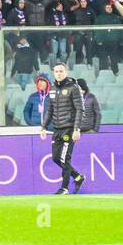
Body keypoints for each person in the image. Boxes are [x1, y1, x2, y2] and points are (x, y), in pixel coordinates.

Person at [41, 61, 85, 194]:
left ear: (66, 72)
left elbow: (79, 109)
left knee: (64, 158)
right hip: (57, 128)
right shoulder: (52, 89)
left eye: (61, 71)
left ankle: (64, 188)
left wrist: (77, 129)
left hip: (69, 128)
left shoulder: (73, 87)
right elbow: (50, 110)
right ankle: (77, 177)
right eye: (56, 71)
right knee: (55, 158)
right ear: (53, 73)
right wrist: (43, 127)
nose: (58, 74)